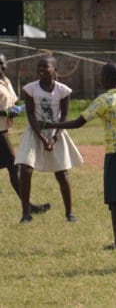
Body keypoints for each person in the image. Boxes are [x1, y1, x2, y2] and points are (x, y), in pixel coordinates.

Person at [44, 63, 116, 249]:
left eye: (101, 76)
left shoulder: (104, 100)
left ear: (108, 79)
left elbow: (79, 122)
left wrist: (50, 124)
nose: (99, 79)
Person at [15, 55, 84, 223]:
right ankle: (26, 213)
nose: (41, 70)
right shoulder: (30, 89)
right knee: (25, 169)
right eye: (39, 67)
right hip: (35, 131)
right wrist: (41, 137)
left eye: (45, 66)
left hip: (56, 131)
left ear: (55, 70)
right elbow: (30, 115)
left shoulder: (63, 90)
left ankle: (69, 213)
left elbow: (64, 117)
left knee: (62, 173)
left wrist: (54, 138)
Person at [0, 54, 50, 217]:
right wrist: (6, 112)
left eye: (2, 63)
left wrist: (17, 109)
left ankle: (28, 206)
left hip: (4, 128)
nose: (1, 67)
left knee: (11, 166)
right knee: (14, 166)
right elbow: (5, 109)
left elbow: (12, 103)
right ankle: (28, 207)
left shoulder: (6, 81)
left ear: (7, 65)